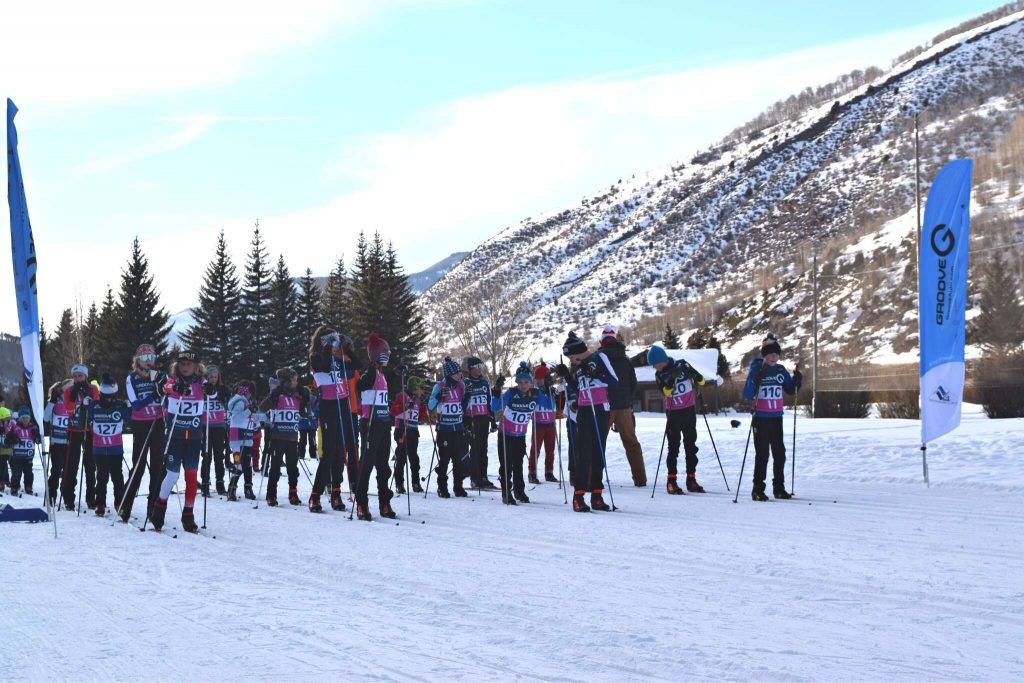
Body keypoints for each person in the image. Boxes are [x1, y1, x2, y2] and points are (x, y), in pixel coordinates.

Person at [151, 350, 206, 533]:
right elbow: (165, 387)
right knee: (172, 475)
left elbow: (212, 391)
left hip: (194, 436)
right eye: (182, 364)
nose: (185, 367)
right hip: (175, 435)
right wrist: (175, 388)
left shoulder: (201, 382)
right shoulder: (173, 380)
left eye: (189, 364)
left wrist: (212, 390)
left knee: (191, 476)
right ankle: (159, 508)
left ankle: (188, 514)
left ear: (196, 367)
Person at [563, 331, 618, 512]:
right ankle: (578, 496)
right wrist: (567, 376)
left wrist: (595, 373)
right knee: (584, 453)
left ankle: (597, 496)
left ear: (578, 351)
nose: (571, 361)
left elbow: (614, 380)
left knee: (598, 453)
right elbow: (578, 388)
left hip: (600, 408)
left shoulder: (599, 357)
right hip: (584, 410)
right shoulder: (578, 367)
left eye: (572, 357)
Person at [742, 334, 802, 501]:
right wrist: (755, 379)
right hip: (760, 418)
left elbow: (791, 390)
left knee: (779, 454)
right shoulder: (757, 369)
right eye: (769, 353)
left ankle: (779, 488)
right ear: (764, 355)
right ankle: (757, 489)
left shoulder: (780, 370)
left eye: (776, 353)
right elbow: (747, 394)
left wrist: (797, 381)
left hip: (776, 418)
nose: (773, 356)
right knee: (762, 454)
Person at [308, 326, 357, 513]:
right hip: (328, 407)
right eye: (331, 339)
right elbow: (326, 367)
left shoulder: (337, 358)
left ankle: (336, 492)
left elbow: (356, 364)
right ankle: (316, 495)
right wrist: (329, 346)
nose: (334, 343)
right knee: (328, 453)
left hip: (342, 405)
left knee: (339, 453)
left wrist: (346, 347)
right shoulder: (316, 358)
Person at [648, 345, 707, 495]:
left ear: (662, 360)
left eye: (655, 364)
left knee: (691, 446)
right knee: (673, 447)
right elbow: (666, 392)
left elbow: (702, 382)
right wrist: (672, 379)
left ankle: (691, 479)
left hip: (689, 411)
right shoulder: (659, 375)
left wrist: (693, 373)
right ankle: (671, 481)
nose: (655, 367)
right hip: (673, 413)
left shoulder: (682, 365)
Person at [121, 344, 167, 521]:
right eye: (145, 358)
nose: (149, 361)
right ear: (137, 360)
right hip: (140, 424)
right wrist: (154, 395)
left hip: (158, 422)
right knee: (138, 467)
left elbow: (169, 396)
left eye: (152, 358)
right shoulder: (132, 378)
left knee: (157, 467)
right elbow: (136, 404)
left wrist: (164, 388)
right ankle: (125, 505)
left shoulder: (160, 376)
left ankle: (153, 507)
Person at [354, 333, 395, 521]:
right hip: (370, 424)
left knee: (383, 466)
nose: (388, 356)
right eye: (385, 353)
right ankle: (361, 502)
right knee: (367, 464)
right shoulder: (371, 373)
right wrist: (371, 368)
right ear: (377, 355)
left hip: (383, 424)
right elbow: (360, 386)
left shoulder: (381, 375)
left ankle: (384, 502)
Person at [599, 325, 645, 487]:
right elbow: (634, 384)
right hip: (624, 407)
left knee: (599, 443)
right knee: (632, 443)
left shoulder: (598, 358)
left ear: (601, 341)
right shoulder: (625, 360)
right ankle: (640, 479)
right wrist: (627, 401)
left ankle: (595, 479)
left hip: (604, 406)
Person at [492, 362, 540, 505]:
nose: (523, 385)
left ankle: (519, 491)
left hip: (520, 436)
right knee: (506, 465)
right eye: (520, 382)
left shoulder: (535, 393)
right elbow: (495, 407)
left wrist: (549, 389)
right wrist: (496, 391)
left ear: (531, 382)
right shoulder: (511, 393)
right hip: (505, 435)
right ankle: (506, 492)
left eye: (526, 382)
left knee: (518, 465)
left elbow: (551, 405)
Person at [427, 357, 471, 499]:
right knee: (444, 459)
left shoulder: (461, 385)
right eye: (457, 373)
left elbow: (463, 407)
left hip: (458, 428)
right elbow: (430, 406)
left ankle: (458, 487)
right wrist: (439, 396)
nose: (460, 375)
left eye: (460, 372)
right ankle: (442, 487)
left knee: (458, 459)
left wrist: (468, 397)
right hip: (444, 429)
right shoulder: (439, 386)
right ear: (449, 374)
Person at [266, 367, 309, 507]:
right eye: (294, 380)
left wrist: (306, 398)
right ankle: (271, 494)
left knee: (292, 468)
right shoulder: (278, 394)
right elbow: (263, 407)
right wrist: (272, 396)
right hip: (278, 437)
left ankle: (293, 493)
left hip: (292, 438)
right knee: (275, 468)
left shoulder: (297, 395)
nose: (296, 383)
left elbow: (304, 412)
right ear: (287, 381)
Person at [88, 375, 128, 517]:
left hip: (115, 448)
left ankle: (119, 503)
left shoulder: (119, 405)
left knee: (117, 477)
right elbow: (87, 419)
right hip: (99, 448)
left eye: (111, 397)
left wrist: (128, 407)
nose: (108, 400)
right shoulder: (94, 405)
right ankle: (100, 504)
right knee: (102, 477)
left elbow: (129, 418)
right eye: (105, 397)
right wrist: (85, 406)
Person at [62, 364, 99, 511]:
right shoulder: (68, 390)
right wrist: (73, 397)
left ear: (85, 376)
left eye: (80, 376)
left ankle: (91, 498)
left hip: (89, 430)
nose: (78, 378)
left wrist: (88, 402)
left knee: (90, 465)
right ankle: (68, 498)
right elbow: (69, 411)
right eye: (75, 376)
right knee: (72, 464)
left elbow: (96, 407)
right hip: (74, 430)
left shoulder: (93, 389)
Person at [462, 356, 496, 490]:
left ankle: (483, 477)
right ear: (470, 369)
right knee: (475, 449)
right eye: (477, 367)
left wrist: (492, 418)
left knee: (483, 448)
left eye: (481, 366)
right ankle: (474, 479)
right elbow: (462, 402)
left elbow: (489, 401)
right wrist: (465, 420)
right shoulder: (466, 382)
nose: (479, 369)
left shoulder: (484, 382)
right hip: (472, 418)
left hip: (483, 418)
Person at [390, 375, 426, 494]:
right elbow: (393, 411)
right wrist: (405, 406)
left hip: (413, 431)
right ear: (414, 387)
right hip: (402, 429)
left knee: (414, 458)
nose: (423, 391)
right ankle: (399, 483)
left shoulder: (418, 400)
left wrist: (423, 408)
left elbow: (419, 418)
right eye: (421, 388)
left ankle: (416, 483)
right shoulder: (403, 396)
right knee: (401, 458)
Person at [201, 365, 230, 496]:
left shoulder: (223, 389)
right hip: (205, 425)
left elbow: (229, 402)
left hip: (218, 426)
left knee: (219, 456)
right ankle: (205, 484)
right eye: (210, 377)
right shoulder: (203, 389)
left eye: (215, 377)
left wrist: (226, 398)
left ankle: (220, 484)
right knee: (206, 456)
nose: (213, 379)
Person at [227, 380, 257, 502]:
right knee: (238, 464)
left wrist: (264, 417)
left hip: (247, 437)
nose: (251, 395)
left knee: (247, 464)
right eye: (251, 392)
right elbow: (237, 418)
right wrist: (249, 410)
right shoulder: (240, 402)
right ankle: (232, 489)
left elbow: (251, 418)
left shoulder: (247, 402)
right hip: (238, 438)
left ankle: (248, 488)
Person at [528, 364, 558, 484]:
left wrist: (553, 393)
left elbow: (555, 404)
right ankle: (532, 473)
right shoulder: (534, 391)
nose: (539, 381)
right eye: (537, 379)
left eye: (541, 379)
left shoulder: (552, 390)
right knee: (535, 449)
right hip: (539, 423)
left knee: (550, 449)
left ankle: (549, 472)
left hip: (550, 423)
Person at [44, 381, 71, 506]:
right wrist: (51, 402)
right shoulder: (56, 401)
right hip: (56, 442)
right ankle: (51, 495)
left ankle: (67, 497)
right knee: (56, 470)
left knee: (68, 471)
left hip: (69, 442)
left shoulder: (74, 400)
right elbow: (46, 418)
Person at [5, 406, 41, 497]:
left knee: (29, 472)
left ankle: (28, 487)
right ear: (20, 418)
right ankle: (14, 487)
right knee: (17, 473)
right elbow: (7, 440)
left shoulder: (33, 427)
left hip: (28, 455)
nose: (25, 420)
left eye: (27, 417)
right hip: (17, 456)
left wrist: (37, 437)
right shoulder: (15, 427)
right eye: (23, 418)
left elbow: (38, 440)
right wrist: (12, 439)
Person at [298, 390, 318, 460]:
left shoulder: (313, 399)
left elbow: (316, 409)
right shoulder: (300, 399)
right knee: (303, 440)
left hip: (311, 424)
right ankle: (301, 454)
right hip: (303, 424)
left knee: (312, 440)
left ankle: (313, 454)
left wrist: (313, 413)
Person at [0, 407, 11, 493]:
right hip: (2, 448)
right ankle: (2, 481)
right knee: (2, 463)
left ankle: (5, 479)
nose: (8, 420)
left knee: (5, 464)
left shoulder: (8, 425)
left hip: (6, 447)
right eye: (6, 418)